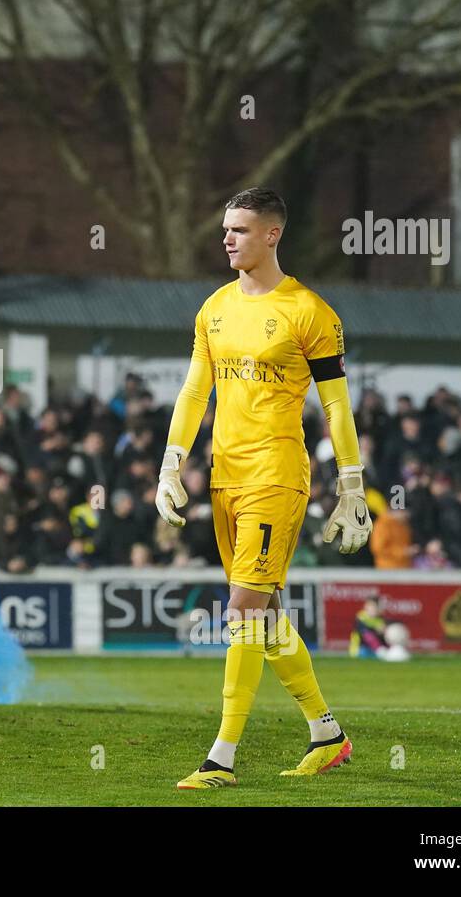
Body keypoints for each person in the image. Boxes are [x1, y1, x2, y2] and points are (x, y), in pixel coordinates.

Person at [158, 188, 369, 789]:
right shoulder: (214, 308)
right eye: (226, 229)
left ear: (272, 235)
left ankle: (221, 758)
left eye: (241, 230)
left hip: (277, 476)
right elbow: (195, 392)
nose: (227, 238)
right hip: (225, 476)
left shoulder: (310, 312)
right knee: (269, 617)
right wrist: (171, 465)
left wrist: (351, 484)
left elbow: (335, 404)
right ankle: (328, 735)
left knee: (243, 611)